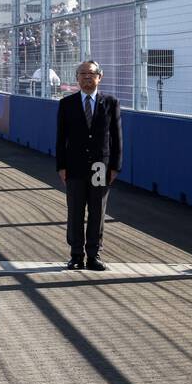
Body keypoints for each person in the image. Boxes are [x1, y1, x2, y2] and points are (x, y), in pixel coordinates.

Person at [56, 60, 122, 271]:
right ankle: (76, 255)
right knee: (75, 211)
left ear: (99, 77)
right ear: (77, 78)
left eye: (91, 74)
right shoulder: (67, 104)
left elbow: (117, 137)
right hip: (74, 166)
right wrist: (61, 166)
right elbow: (61, 138)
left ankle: (94, 254)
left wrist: (115, 166)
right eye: (83, 74)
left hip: (100, 167)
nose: (87, 77)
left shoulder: (110, 102)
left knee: (97, 211)